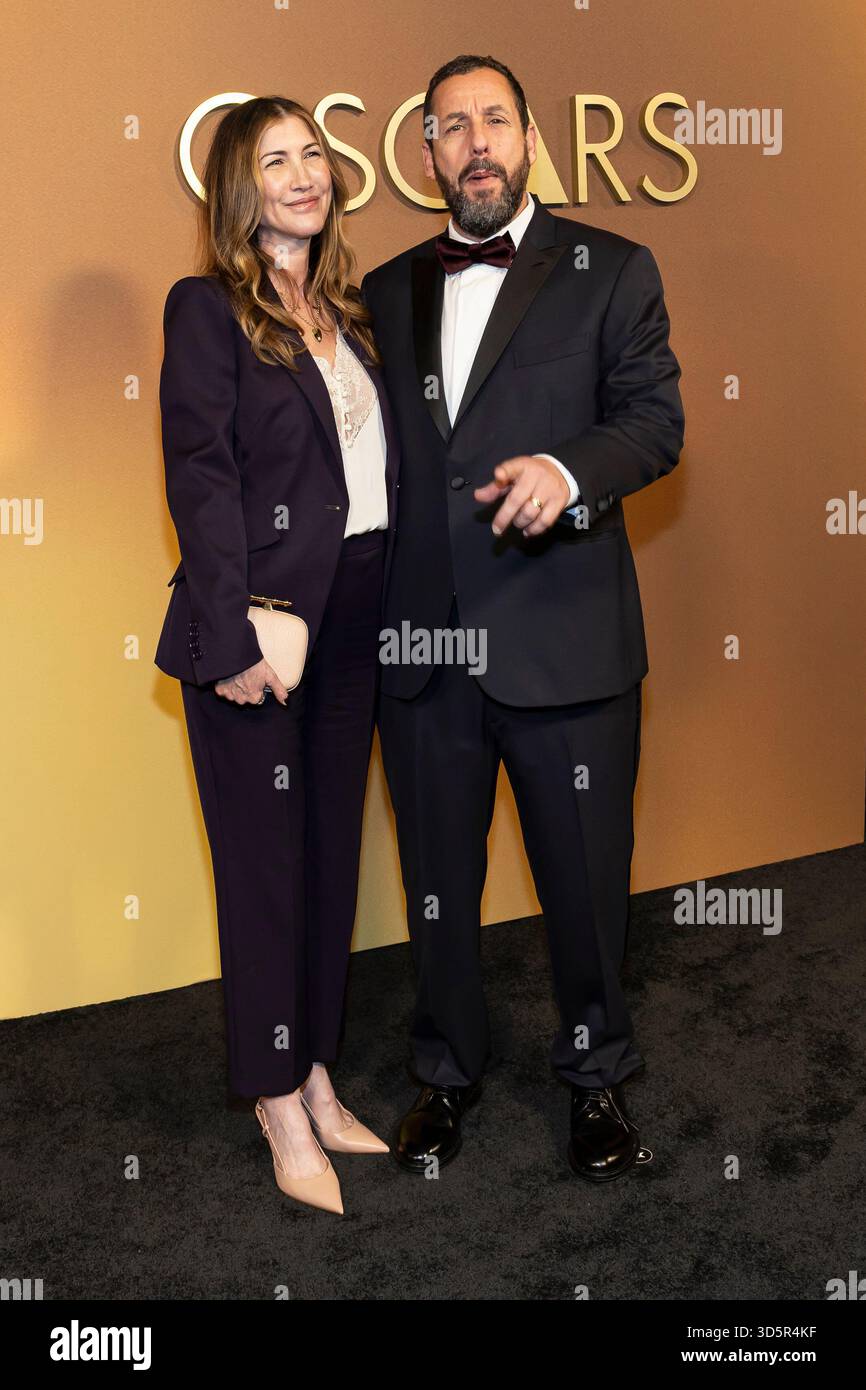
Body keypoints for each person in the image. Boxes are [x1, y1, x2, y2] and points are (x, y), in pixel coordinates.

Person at [361, 54, 685, 1182]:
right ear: (426, 154)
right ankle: (443, 1075)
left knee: (585, 887)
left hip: (565, 637)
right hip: (424, 648)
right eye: (450, 126)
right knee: (436, 883)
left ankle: (597, 1088)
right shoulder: (385, 289)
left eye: (493, 118)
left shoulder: (611, 267)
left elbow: (652, 421)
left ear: (530, 139)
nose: (474, 141)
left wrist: (565, 465)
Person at [155, 95, 400, 1213]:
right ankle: (271, 1093)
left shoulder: (350, 308)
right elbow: (200, 479)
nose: (303, 174)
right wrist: (231, 634)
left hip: (355, 618)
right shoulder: (207, 308)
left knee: (326, 856)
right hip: (259, 626)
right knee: (263, 867)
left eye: (313, 153)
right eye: (274, 160)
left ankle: (313, 1064)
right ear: (236, 188)